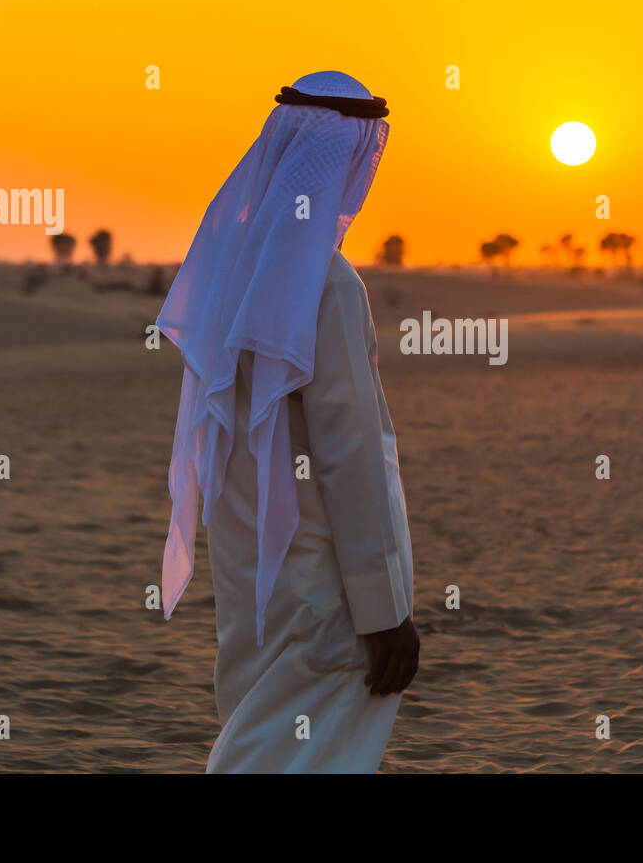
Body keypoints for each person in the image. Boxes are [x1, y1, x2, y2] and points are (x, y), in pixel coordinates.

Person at [156, 71, 418, 772]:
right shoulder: (326, 285)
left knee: (263, 740)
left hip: (251, 574)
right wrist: (384, 611)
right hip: (324, 589)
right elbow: (350, 456)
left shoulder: (229, 265)